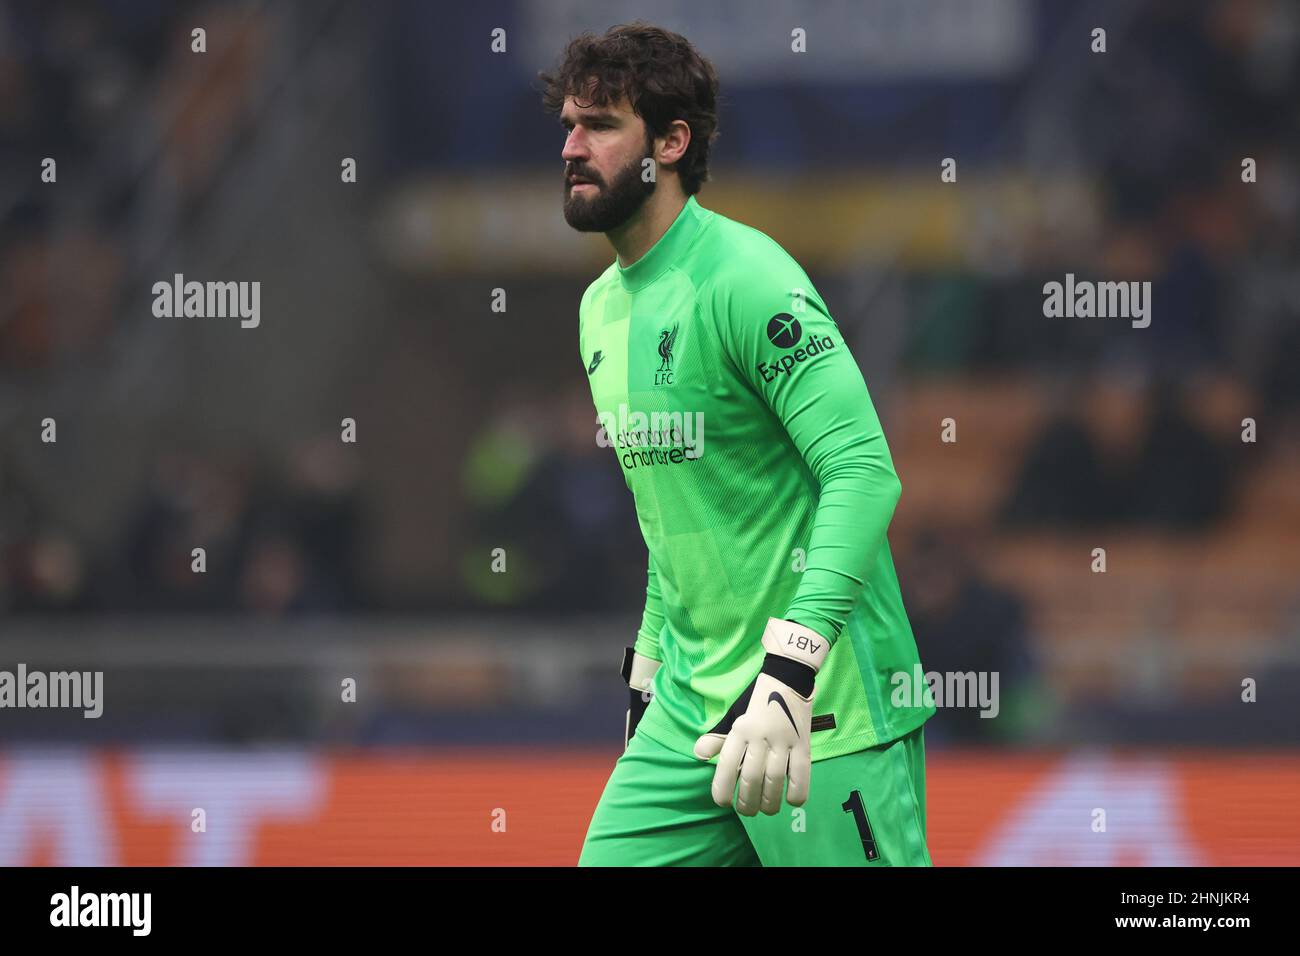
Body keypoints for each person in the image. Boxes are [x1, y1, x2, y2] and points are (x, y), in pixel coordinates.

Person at [542, 22, 934, 866]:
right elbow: (675, 511)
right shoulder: (599, 312)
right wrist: (647, 667)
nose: (573, 147)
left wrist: (790, 671)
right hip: (689, 711)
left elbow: (865, 474)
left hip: (818, 709)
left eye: (601, 125)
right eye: (569, 125)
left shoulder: (748, 279)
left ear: (672, 143)